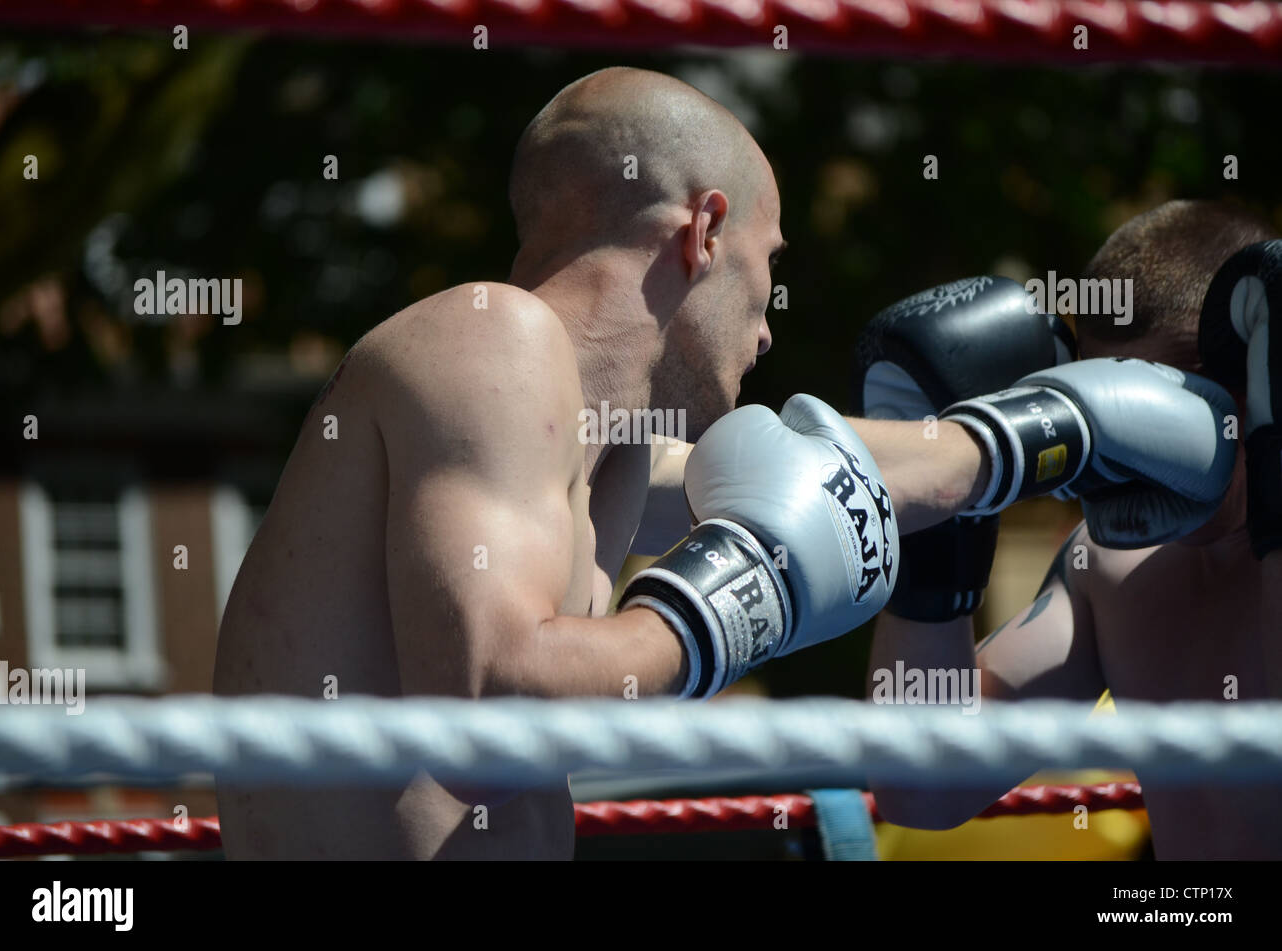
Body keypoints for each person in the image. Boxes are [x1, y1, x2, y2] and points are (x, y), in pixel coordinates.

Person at [213, 69, 1232, 860]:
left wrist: (1041, 432)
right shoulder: (494, 341)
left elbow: (825, 462)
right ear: (704, 230)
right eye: (770, 264)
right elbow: (489, 713)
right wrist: (731, 595)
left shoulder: (595, 454)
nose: (767, 326)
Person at [866, 200, 1282, 859]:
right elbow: (923, 789)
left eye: (1160, 413)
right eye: (1112, 425)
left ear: (1253, 378)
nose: (1131, 464)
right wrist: (940, 525)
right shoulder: (1110, 568)